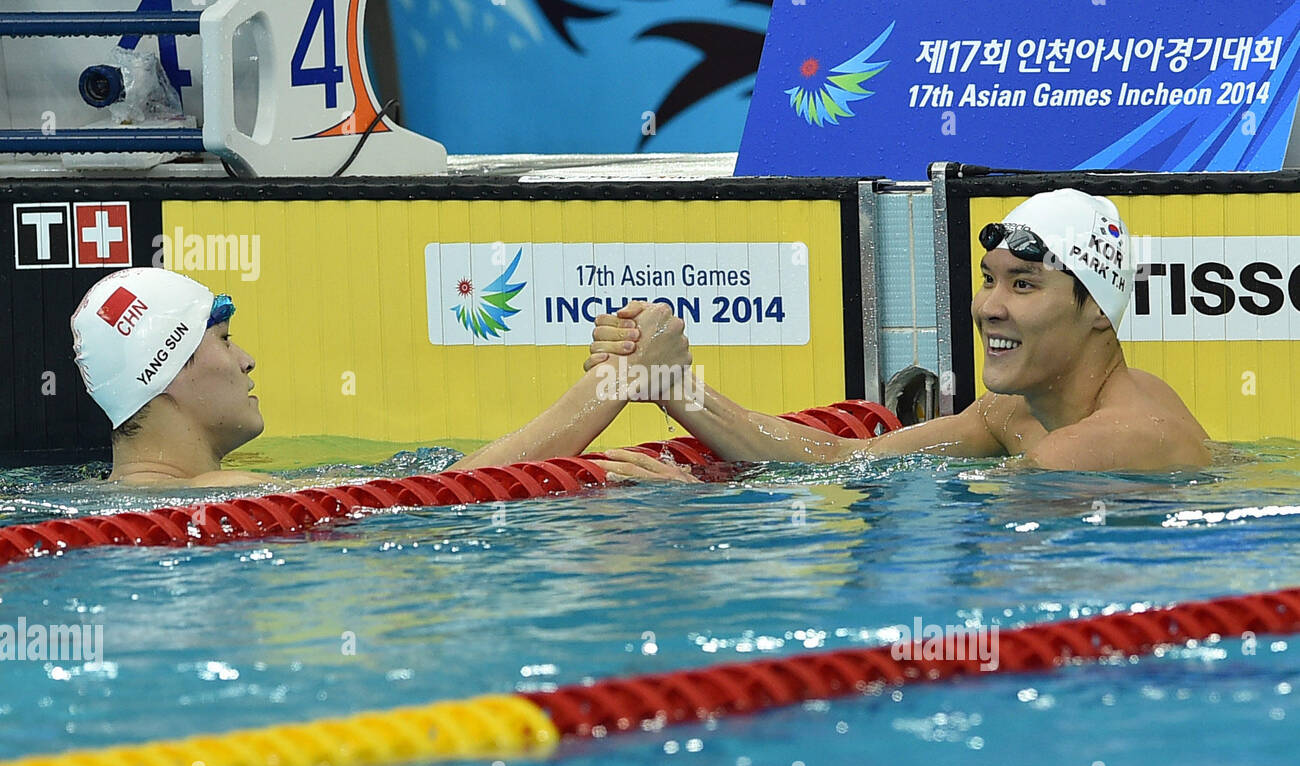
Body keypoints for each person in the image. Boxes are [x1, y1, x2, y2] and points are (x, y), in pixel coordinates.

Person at [583, 188, 1211, 471]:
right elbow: (846, 458)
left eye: (1024, 285)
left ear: (1098, 309)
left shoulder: (1097, 447)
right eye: (989, 279)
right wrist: (675, 387)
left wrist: (712, 496)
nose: (989, 306)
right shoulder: (1014, 415)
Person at [71, 268, 693, 487]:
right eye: (225, 340)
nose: (246, 360)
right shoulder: (227, 494)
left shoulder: (98, 499)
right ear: (170, 372)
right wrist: (615, 382)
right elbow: (448, 494)